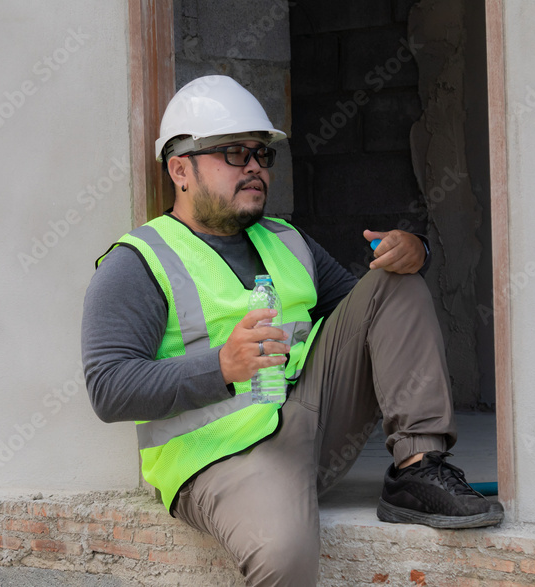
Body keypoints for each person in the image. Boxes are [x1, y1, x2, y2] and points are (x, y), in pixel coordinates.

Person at [81, 75, 503, 585]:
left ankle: (417, 467)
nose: (255, 166)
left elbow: (375, 317)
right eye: (234, 153)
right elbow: (109, 389)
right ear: (180, 169)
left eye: (261, 153)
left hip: (314, 427)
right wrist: (222, 366)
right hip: (223, 458)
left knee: (394, 283)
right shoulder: (137, 262)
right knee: (283, 554)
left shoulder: (287, 240)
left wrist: (417, 251)